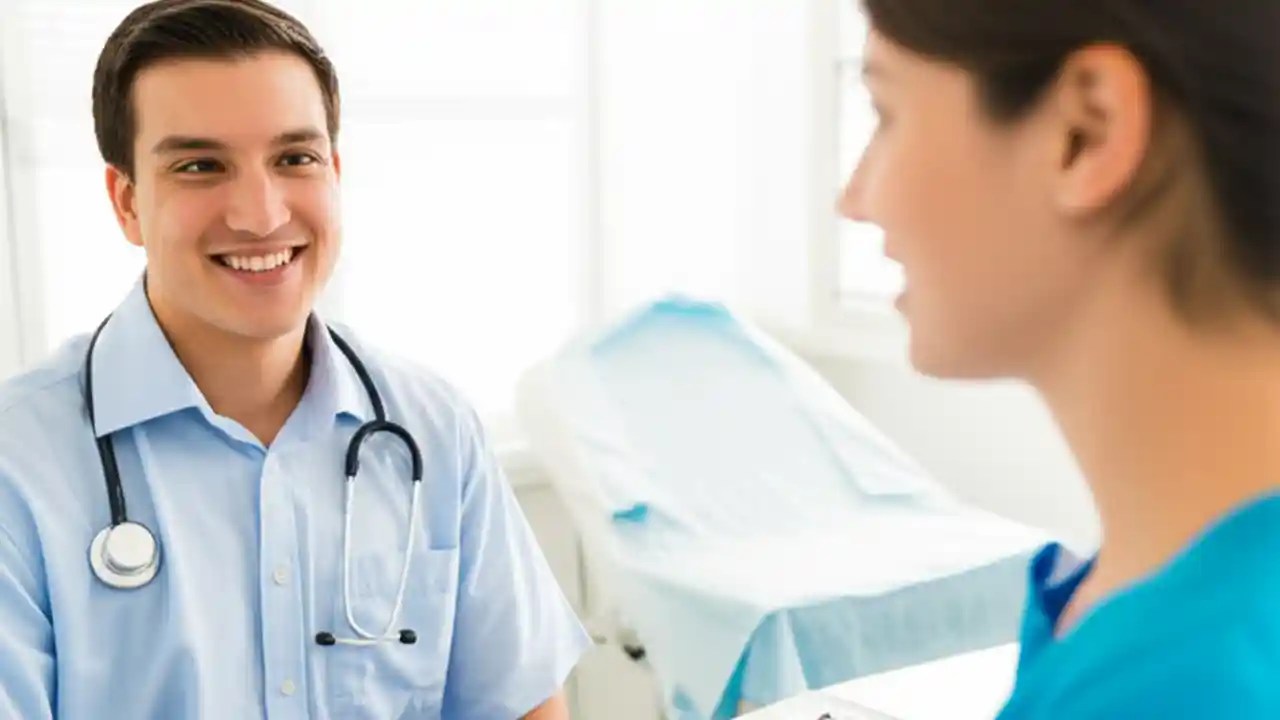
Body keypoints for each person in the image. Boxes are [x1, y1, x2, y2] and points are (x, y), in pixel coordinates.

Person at [0, 1, 590, 717]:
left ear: (334, 171)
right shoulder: (20, 464)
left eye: (294, 159)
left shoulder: (433, 428)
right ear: (126, 202)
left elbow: (523, 704)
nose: (261, 214)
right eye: (200, 166)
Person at [839, 0, 1280, 716]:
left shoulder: (1177, 688)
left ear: (1086, 131)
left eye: (885, 114)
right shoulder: (1139, 608)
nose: (855, 198)